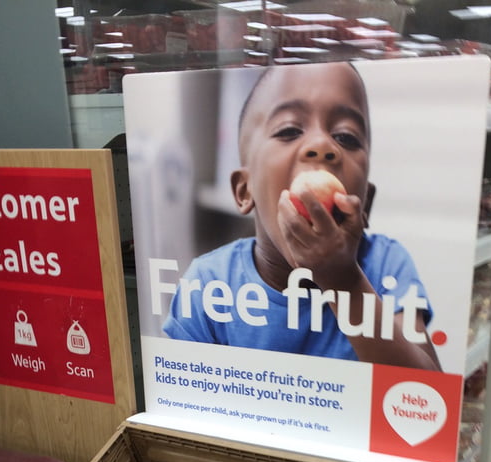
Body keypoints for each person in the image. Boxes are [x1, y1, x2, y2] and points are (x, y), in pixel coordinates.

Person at [163, 61, 441, 370]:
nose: (322, 145)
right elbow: (183, 399)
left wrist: (343, 279)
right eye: (289, 130)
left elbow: (423, 398)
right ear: (245, 190)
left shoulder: (386, 265)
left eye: (346, 137)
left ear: (366, 203)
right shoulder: (208, 282)